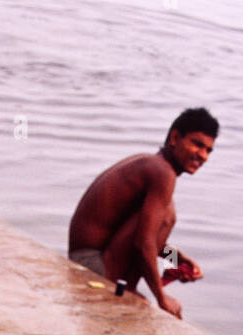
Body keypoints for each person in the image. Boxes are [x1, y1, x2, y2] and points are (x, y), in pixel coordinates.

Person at [68, 108, 219, 318]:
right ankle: (123, 285)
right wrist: (161, 297)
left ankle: (127, 285)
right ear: (175, 138)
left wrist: (177, 259)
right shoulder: (162, 173)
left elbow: (146, 236)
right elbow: (143, 241)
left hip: (90, 259)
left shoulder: (155, 166)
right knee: (166, 216)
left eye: (208, 150)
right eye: (197, 144)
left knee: (165, 214)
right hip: (91, 265)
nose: (202, 155)